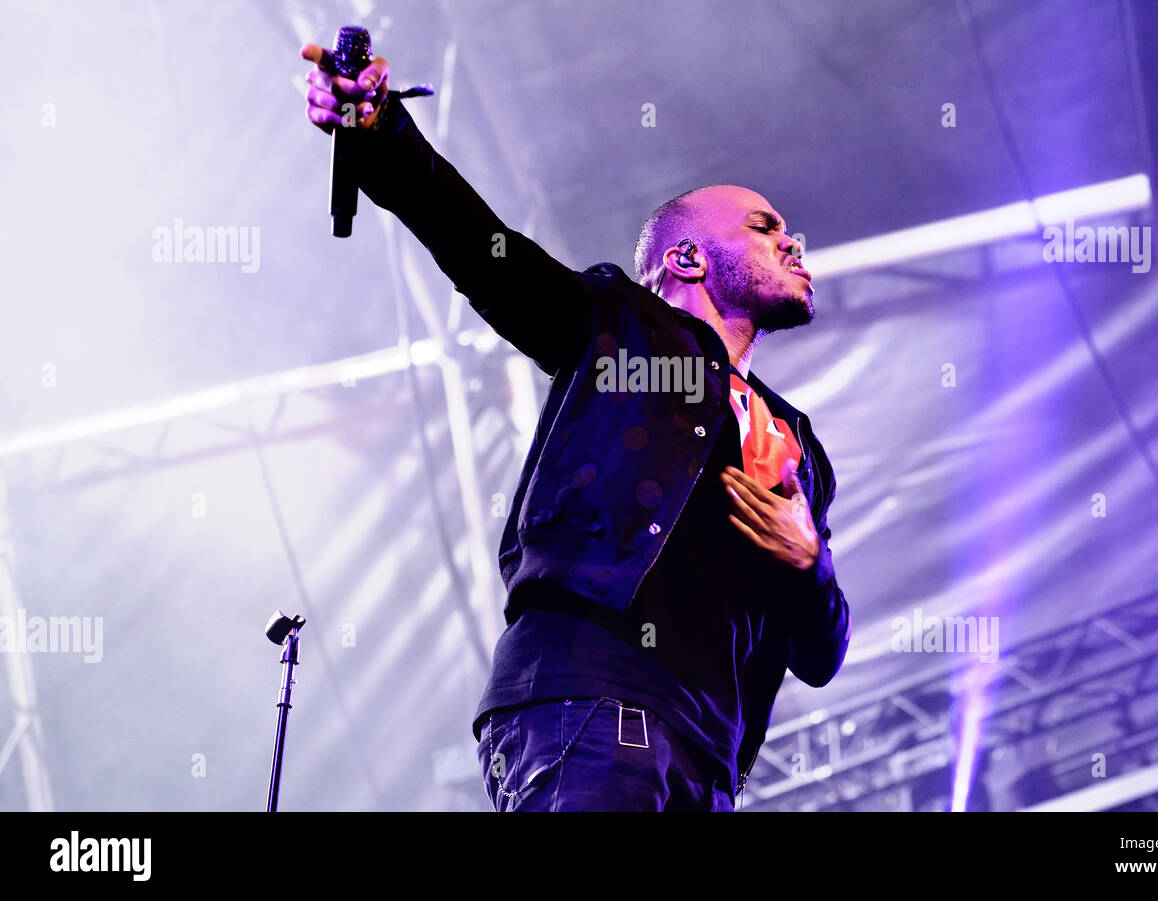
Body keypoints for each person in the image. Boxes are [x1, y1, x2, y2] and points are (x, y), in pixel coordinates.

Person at [300, 41, 851, 811]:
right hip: (588, 696)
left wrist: (809, 560)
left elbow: (822, 653)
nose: (792, 240)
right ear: (689, 258)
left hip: (709, 757)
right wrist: (380, 130)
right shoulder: (622, 329)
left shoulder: (795, 443)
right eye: (765, 227)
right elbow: (489, 256)